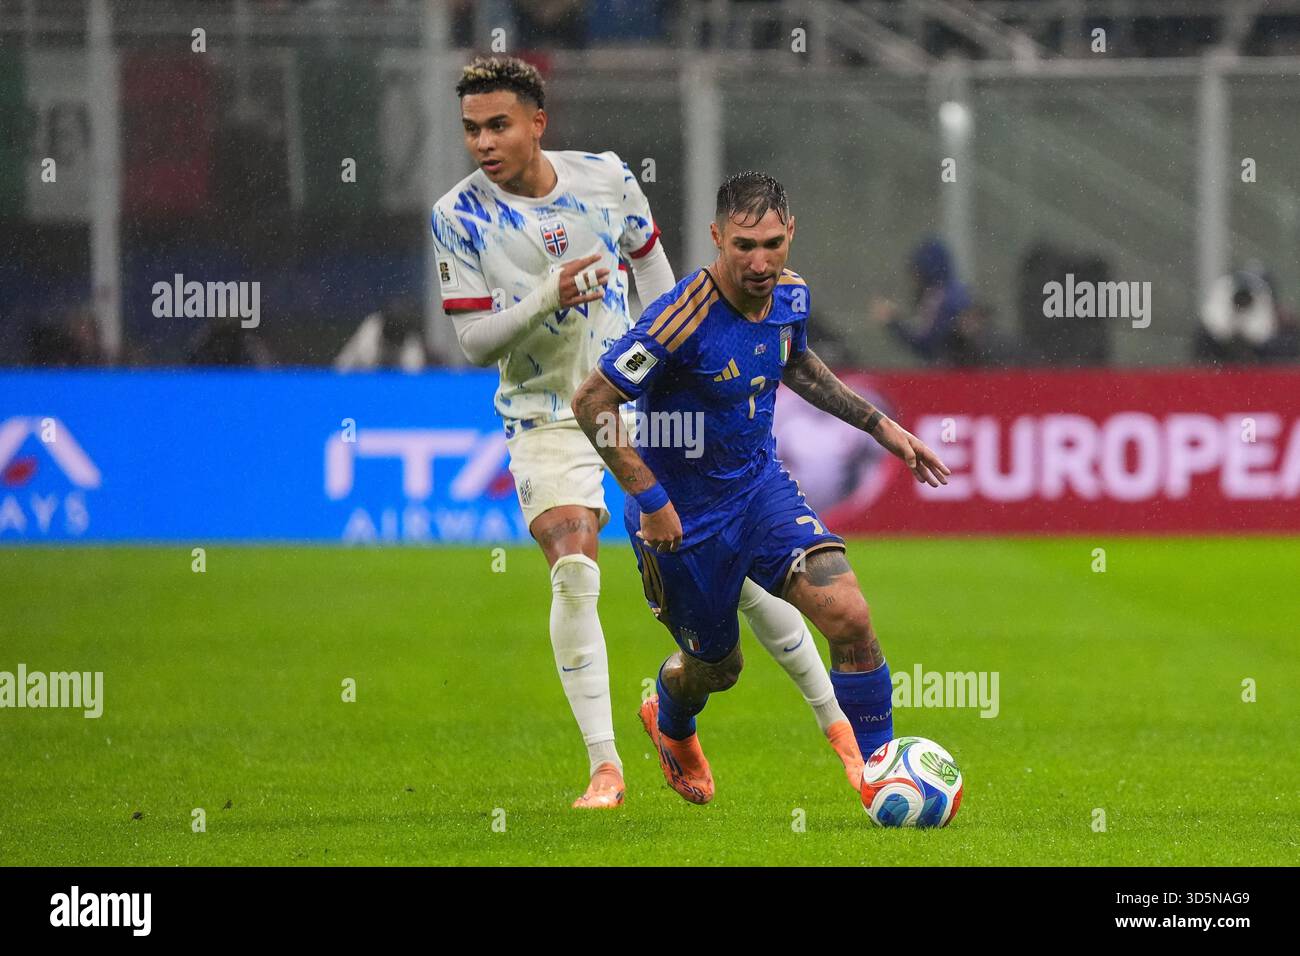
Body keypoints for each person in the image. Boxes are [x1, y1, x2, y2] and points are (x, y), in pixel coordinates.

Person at [431, 58, 858, 809]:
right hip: (545, 410)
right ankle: (605, 768)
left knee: (742, 570)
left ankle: (840, 734)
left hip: (645, 401)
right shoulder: (456, 216)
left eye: (499, 125)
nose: (484, 142)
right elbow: (472, 343)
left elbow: (655, 274)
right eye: (472, 129)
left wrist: (682, 369)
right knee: (573, 565)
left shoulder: (606, 178)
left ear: (538, 122)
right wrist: (547, 295)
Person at [571, 171, 950, 804]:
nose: (759, 262)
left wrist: (882, 427)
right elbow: (592, 402)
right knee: (717, 668)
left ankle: (881, 776)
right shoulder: (679, 319)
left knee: (850, 615)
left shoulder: (790, 296)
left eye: (772, 243)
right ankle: (671, 721)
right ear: (717, 237)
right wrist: (652, 501)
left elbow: (795, 362)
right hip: (684, 521)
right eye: (744, 246)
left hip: (758, 490)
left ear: (790, 233)